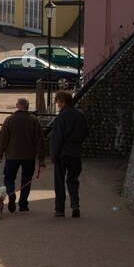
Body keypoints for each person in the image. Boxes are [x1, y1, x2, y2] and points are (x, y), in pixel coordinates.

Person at [0, 98, 47, 213]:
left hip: (12, 155)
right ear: (27, 106)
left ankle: (11, 193)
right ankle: (23, 203)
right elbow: (39, 140)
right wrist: (41, 157)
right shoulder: (34, 120)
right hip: (29, 156)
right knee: (26, 179)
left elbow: (2, 139)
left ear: (17, 105)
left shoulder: (9, 120)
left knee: (9, 178)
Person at [49, 90, 89, 218]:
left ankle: (60, 209)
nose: (58, 104)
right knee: (73, 180)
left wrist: (54, 155)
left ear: (62, 101)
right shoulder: (80, 115)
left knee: (60, 181)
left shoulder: (61, 117)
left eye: (58, 102)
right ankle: (75, 204)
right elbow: (85, 133)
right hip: (75, 152)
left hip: (63, 153)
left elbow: (57, 138)